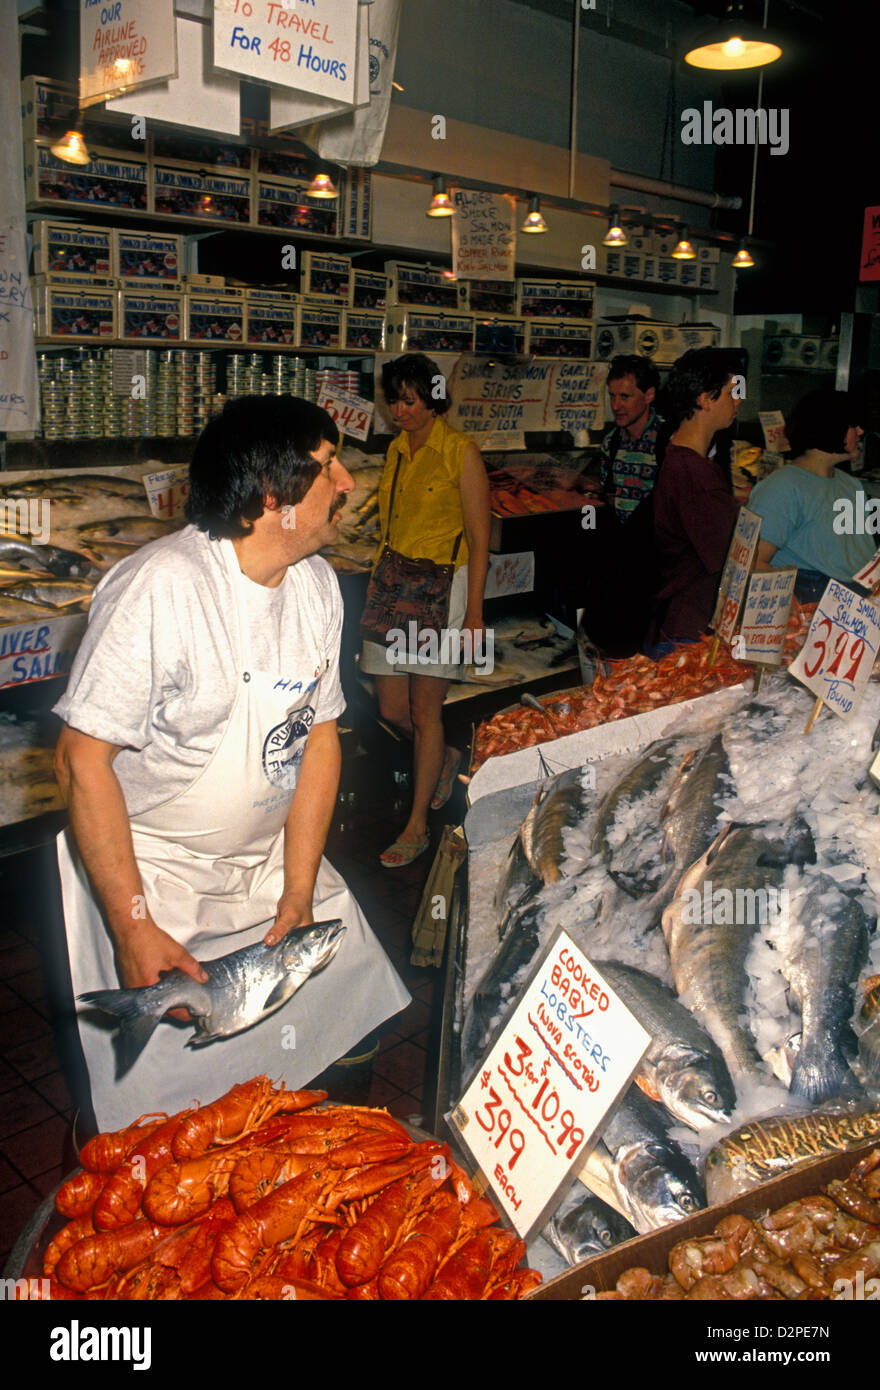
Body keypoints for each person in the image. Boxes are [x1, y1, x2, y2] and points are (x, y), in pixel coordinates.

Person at [53, 396, 410, 1131]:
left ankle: (315, 1171)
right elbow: (80, 763)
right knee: (161, 1116)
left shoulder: (313, 584)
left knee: (352, 1018)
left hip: (272, 863)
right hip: (157, 879)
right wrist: (132, 927)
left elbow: (318, 738)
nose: (347, 481)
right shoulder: (161, 588)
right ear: (271, 498)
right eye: (327, 466)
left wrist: (301, 885)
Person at [360, 353, 490, 868]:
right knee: (391, 709)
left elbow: (481, 540)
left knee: (423, 710)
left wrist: (475, 613)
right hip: (392, 587)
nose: (399, 410)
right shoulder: (394, 449)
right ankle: (447, 758)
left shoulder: (461, 452)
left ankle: (416, 827)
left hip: (440, 591)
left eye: (409, 400)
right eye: (393, 400)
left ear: (433, 398)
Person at [648, 348, 742, 654]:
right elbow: (731, 559)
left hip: (679, 622)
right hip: (688, 632)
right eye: (731, 392)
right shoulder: (694, 473)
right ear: (705, 399)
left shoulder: (677, 455)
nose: (738, 401)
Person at [748, 389, 871, 603]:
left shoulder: (851, 485)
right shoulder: (783, 487)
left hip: (859, 604)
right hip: (813, 606)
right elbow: (753, 562)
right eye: (853, 425)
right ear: (829, 428)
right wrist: (791, 607)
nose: (860, 431)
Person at [596, 355, 669, 519]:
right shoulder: (611, 442)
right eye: (612, 396)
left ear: (649, 395)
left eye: (624, 397)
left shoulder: (668, 441)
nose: (615, 406)